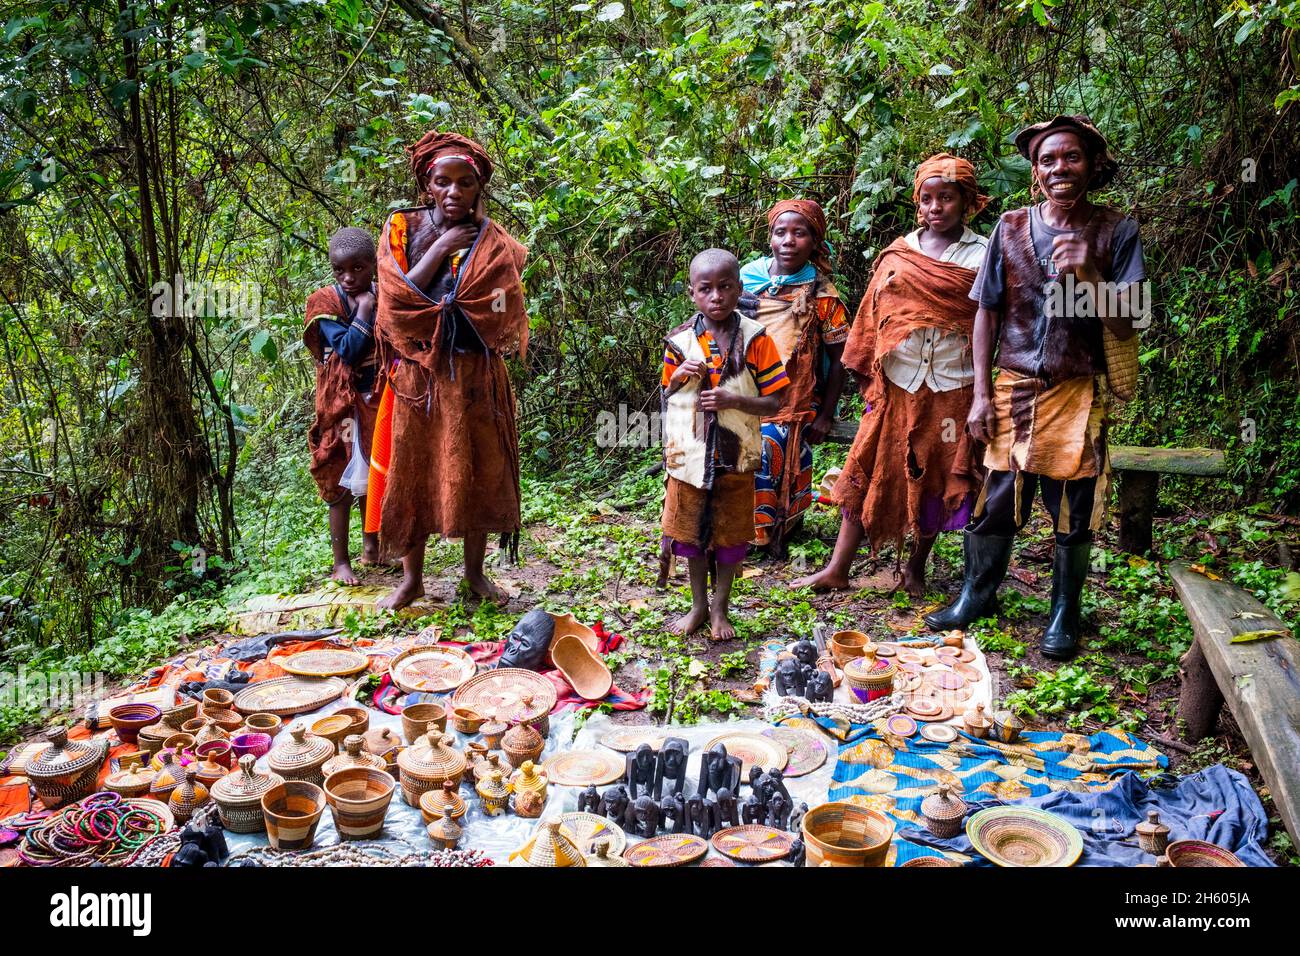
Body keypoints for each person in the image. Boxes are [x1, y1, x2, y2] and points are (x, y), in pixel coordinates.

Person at [923, 115, 1146, 659]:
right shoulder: (1012, 226)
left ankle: (1064, 612)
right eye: (1047, 160)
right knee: (995, 496)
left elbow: (1130, 321)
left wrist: (1090, 277)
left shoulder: (1116, 229)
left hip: (1077, 389)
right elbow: (986, 312)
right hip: (1012, 383)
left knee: (1072, 503)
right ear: (1035, 171)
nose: (1059, 169)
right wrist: (979, 393)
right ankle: (977, 593)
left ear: (1093, 164)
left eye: (1071, 157)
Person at [794, 155, 989, 596]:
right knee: (865, 466)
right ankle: (837, 567)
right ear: (918, 204)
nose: (935, 207)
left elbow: (989, 320)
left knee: (935, 477)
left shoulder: (984, 253)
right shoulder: (901, 253)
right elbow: (872, 313)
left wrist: (985, 391)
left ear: (967, 202)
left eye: (947, 197)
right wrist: (871, 373)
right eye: (927, 199)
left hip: (952, 384)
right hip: (895, 385)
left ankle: (915, 568)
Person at [365, 131, 529, 610]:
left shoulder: (493, 238)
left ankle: (474, 575)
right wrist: (442, 248)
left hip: (476, 373)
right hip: (419, 375)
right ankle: (411, 578)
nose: (454, 191)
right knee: (412, 469)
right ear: (427, 185)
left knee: (479, 466)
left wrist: (467, 299)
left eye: (465, 183)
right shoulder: (401, 228)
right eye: (443, 182)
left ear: (479, 189)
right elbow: (395, 299)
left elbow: (503, 307)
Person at [660, 249, 788, 641]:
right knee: (692, 536)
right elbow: (666, 395)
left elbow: (775, 400)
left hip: (737, 458)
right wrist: (679, 376)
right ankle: (698, 605)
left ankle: (720, 608)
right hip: (689, 458)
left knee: (730, 538)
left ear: (739, 289)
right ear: (692, 294)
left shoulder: (756, 339)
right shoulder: (680, 342)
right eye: (706, 289)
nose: (716, 296)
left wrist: (735, 400)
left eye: (725, 287)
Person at [739, 200, 850, 557]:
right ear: (769, 238)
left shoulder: (823, 297)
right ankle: (732, 527)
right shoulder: (745, 284)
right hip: (741, 391)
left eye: (799, 233)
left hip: (795, 398)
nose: (788, 240)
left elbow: (840, 359)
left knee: (772, 443)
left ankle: (772, 528)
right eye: (780, 232)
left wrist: (826, 414)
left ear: (815, 242)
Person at [304, 226, 382, 584]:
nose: (349, 278)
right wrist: (365, 310)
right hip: (339, 406)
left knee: (370, 471)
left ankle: (372, 548)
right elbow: (347, 351)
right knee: (340, 478)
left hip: (375, 398)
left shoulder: (386, 294)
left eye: (358, 269)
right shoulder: (326, 301)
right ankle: (341, 562)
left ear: (373, 266)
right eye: (340, 271)